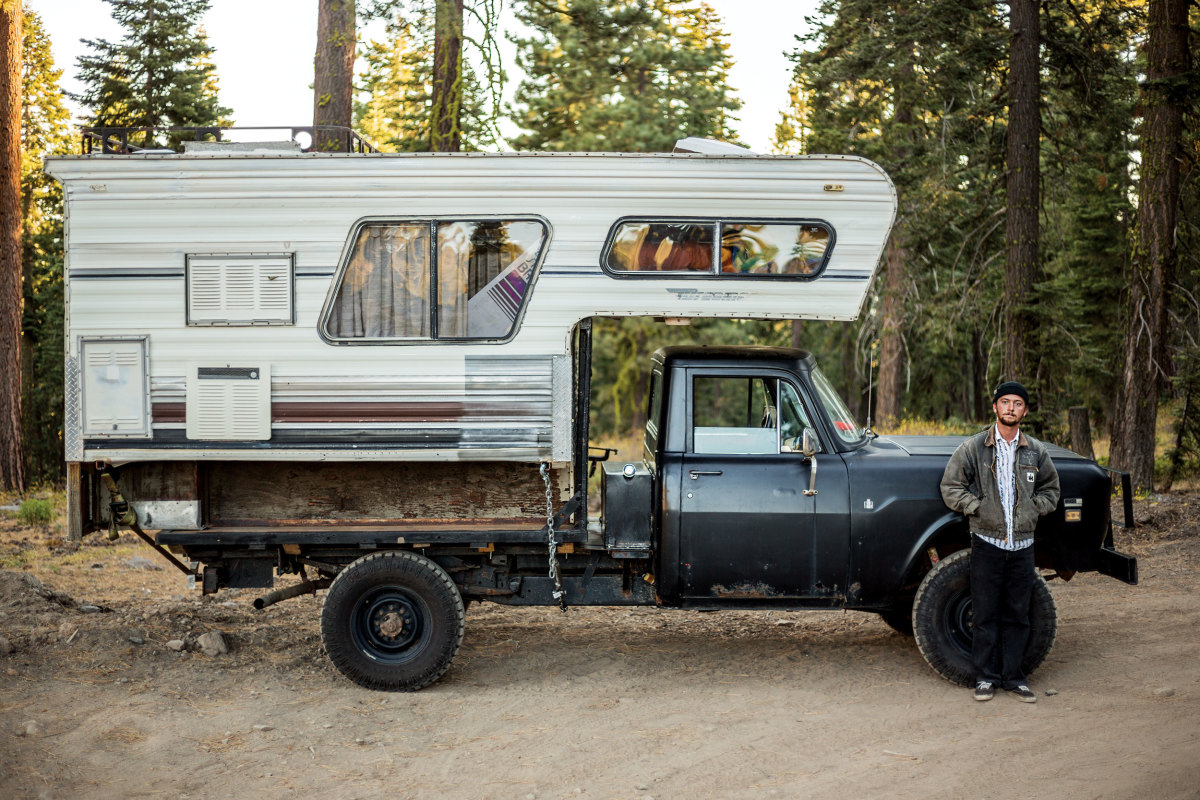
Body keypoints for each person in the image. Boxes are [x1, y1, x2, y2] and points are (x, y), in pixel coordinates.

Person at [939, 381, 1060, 703]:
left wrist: (1035, 509)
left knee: (1018, 614)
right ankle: (986, 678)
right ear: (995, 407)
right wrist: (976, 508)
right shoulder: (974, 448)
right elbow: (951, 486)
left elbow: (1051, 490)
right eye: (1004, 402)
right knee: (985, 613)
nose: (1010, 408)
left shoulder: (1036, 451)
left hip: (1022, 545)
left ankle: (1015, 678)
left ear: (1025, 411)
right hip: (987, 542)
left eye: (1017, 403)